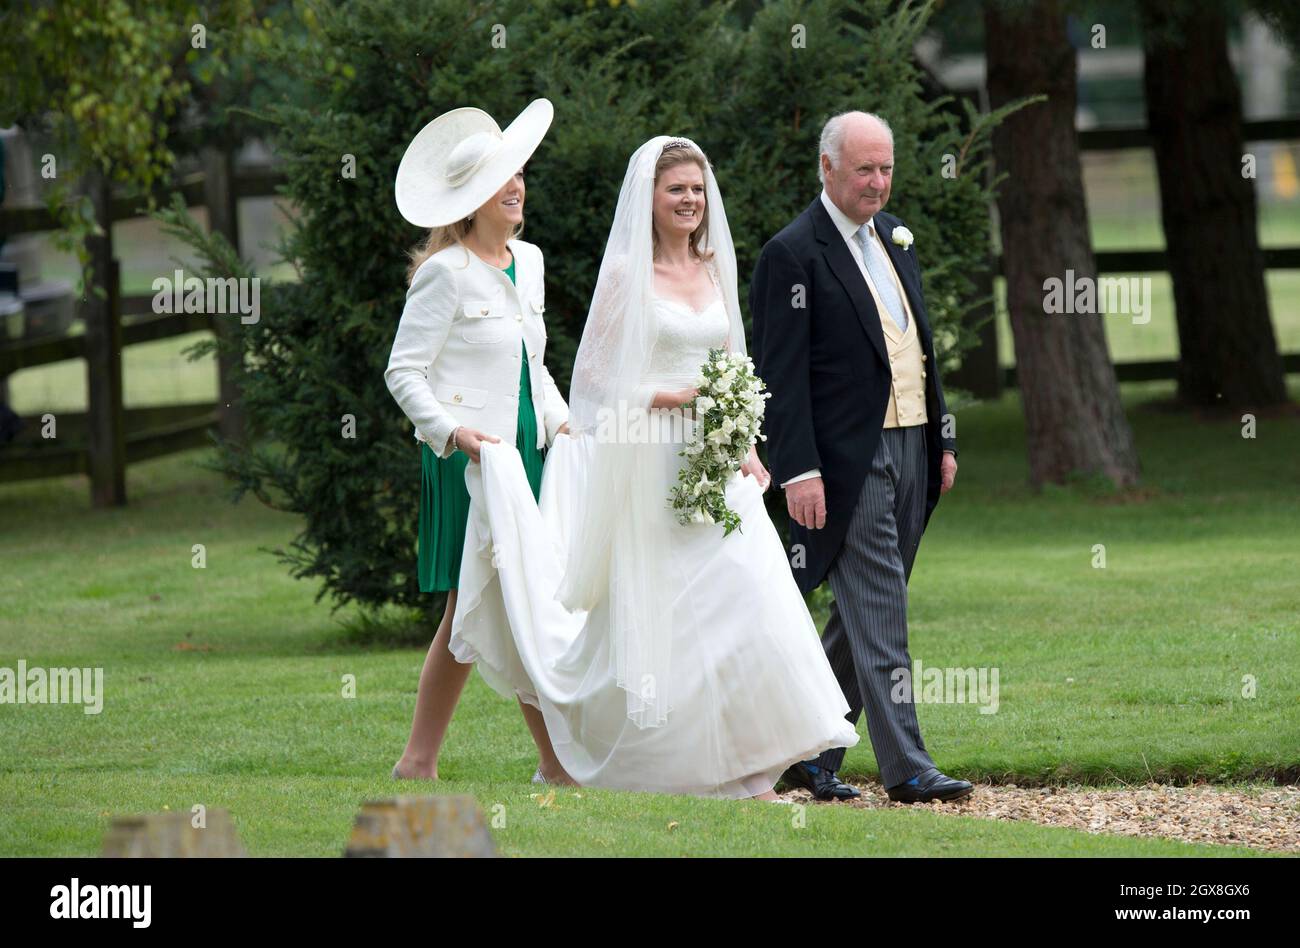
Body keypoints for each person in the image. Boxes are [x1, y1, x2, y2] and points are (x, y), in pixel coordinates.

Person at [450, 136, 859, 800]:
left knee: (749, 597)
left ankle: (753, 764)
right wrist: (676, 398)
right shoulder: (625, 279)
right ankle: (666, 762)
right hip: (653, 460)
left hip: (717, 461)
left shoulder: (711, 266)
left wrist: (747, 445)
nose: (691, 201)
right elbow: (596, 385)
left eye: (698, 190)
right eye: (677, 190)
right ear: (650, 199)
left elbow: (734, 366)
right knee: (674, 611)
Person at [750, 110, 972, 803]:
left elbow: (919, 349)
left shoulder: (894, 238)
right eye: (864, 170)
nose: (878, 183)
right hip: (846, 458)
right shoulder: (791, 254)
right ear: (827, 168)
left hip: (911, 444)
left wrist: (941, 437)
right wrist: (799, 468)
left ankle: (808, 753)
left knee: (861, 610)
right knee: (882, 609)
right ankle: (907, 766)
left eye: (885, 169)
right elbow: (777, 377)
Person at [384, 98, 575, 785]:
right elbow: (403, 372)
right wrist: (451, 434)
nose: (517, 186)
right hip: (470, 464)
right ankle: (544, 763)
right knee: (483, 605)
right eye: (502, 180)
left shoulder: (531, 261)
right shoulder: (446, 273)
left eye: (518, 173)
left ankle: (430, 762)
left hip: (523, 456)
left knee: (499, 604)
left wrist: (562, 422)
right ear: (472, 199)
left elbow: (533, 365)